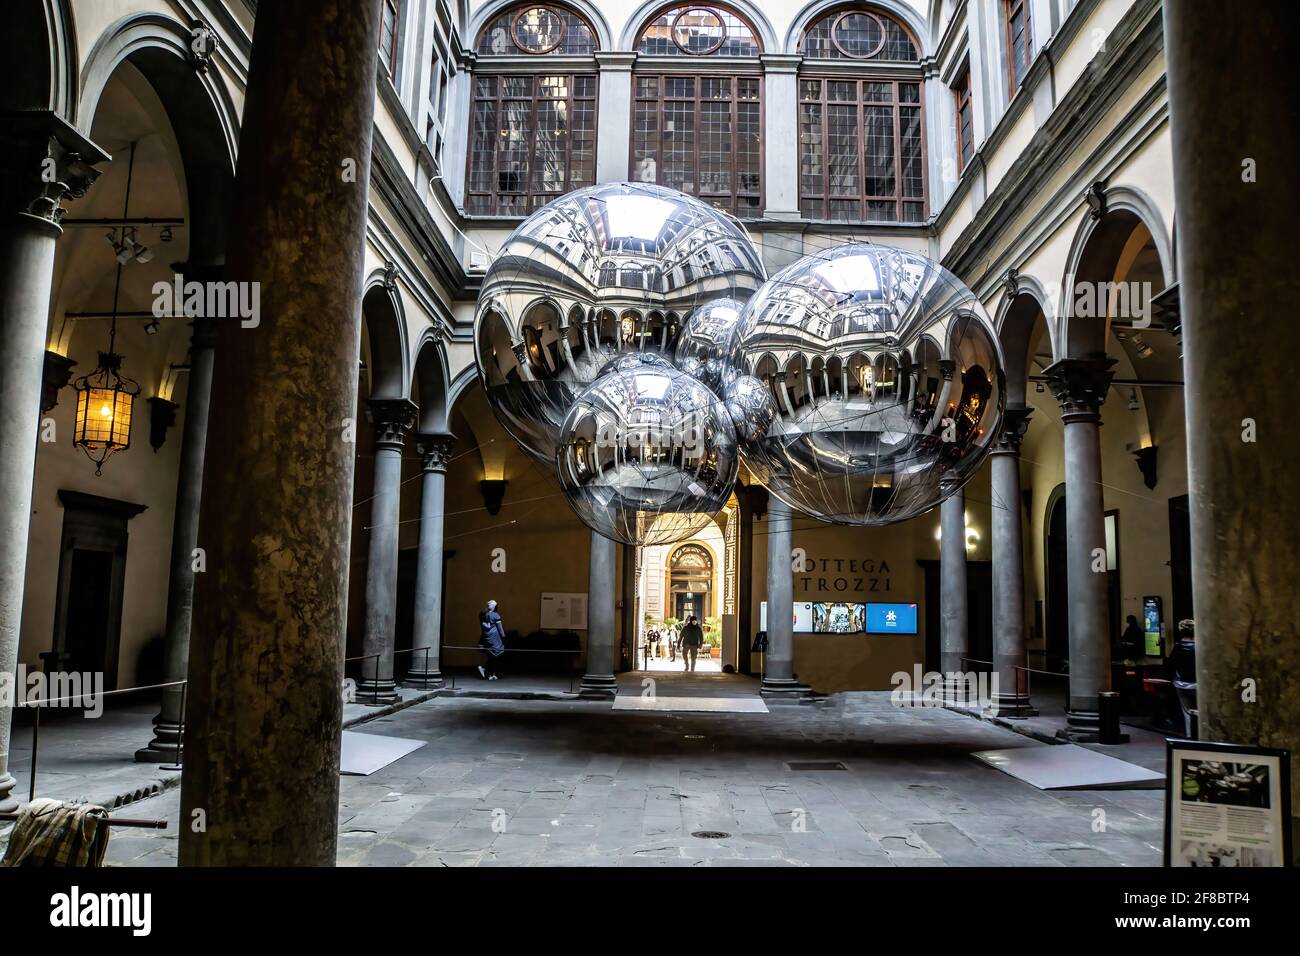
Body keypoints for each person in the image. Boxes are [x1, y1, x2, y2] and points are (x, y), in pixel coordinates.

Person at [478, 599, 505, 680]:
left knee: (492, 654)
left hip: (488, 637)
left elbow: (485, 627)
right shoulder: (495, 615)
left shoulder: (485, 615)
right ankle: (485, 669)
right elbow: (500, 628)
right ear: (494, 607)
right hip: (495, 637)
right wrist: (503, 636)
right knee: (496, 653)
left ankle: (491, 673)